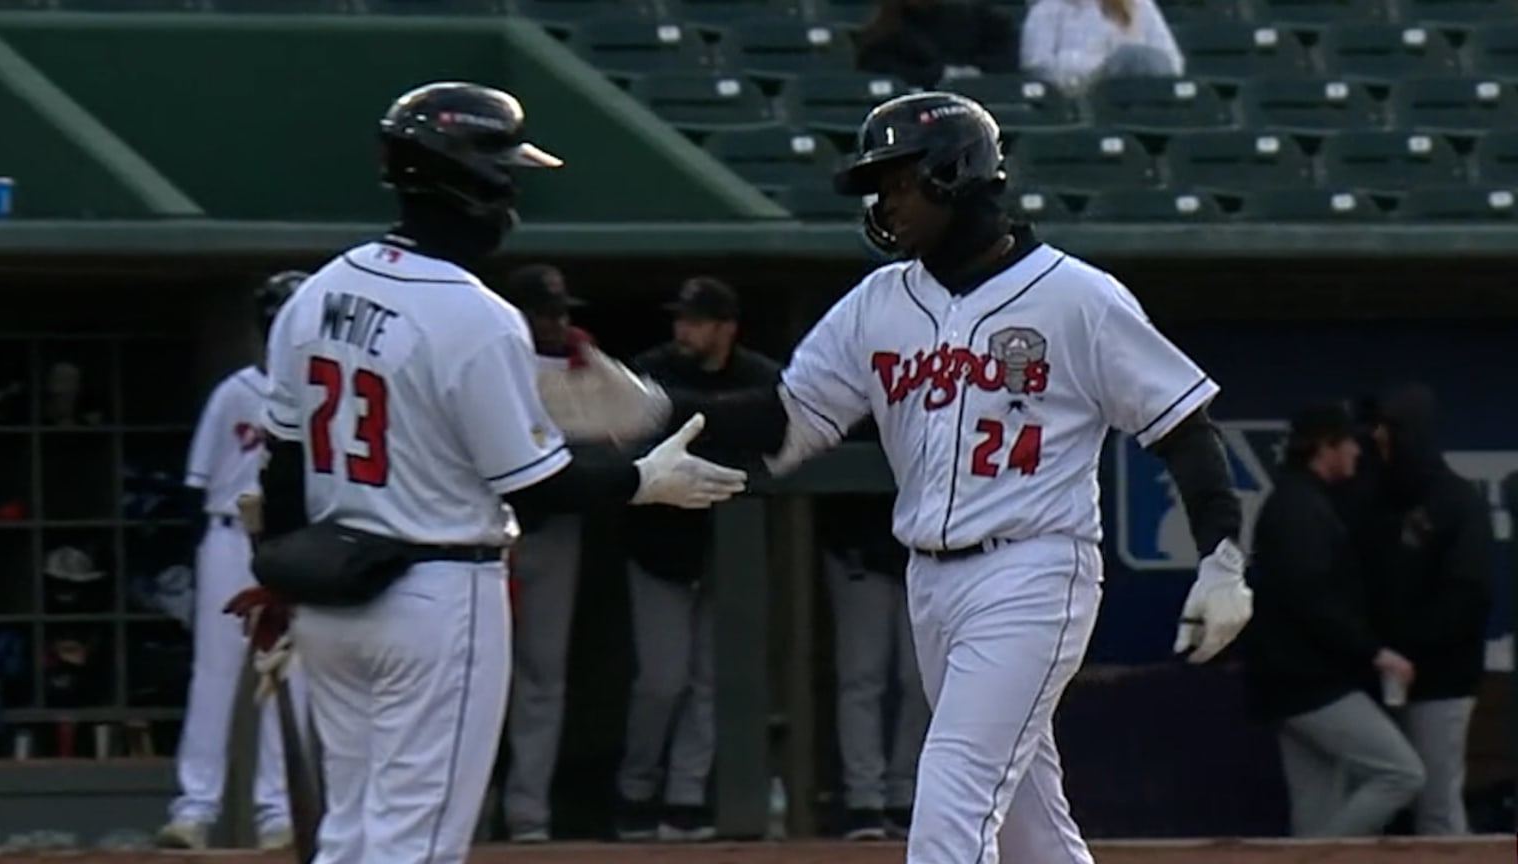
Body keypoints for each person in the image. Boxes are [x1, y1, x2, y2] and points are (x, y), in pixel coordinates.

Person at [536, 90, 1253, 864]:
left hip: (1034, 569)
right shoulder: (879, 301)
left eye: (899, 181)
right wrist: (655, 406)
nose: (885, 202)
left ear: (955, 174)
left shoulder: (1075, 296)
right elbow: (790, 416)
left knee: (952, 790)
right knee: (1029, 826)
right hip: (931, 581)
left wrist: (1220, 555)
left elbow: (1182, 427)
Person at [250, 81, 747, 864]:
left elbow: (281, 462)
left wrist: (278, 578)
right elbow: (537, 486)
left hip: (330, 588)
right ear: (468, 178)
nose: (512, 189)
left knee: (348, 834)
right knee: (415, 841)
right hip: (435, 592)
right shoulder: (475, 315)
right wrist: (642, 479)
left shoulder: (320, 290)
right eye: (503, 170)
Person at [613, 277, 783, 842]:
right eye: (680, 319)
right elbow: (625, 433)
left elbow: (774, 422)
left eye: (696, 321)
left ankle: (684, 797)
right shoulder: (650, 367)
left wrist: (689, 412)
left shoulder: (758, 374)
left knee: (712, 680)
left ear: (726, 328)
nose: (683, 330)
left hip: (728, 548)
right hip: (659, 546)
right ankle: (635, 790)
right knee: (662, 680)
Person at [156, 271, 310, 853]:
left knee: (287, 677)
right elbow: (196, 487)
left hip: (290, 539)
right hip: (229, 535)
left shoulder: (322, 394)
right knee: (216, 675)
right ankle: (194, 809)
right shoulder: (236, 391)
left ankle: (277, 812)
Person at [1244, 401, 1424, 838]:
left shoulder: (1299, 501)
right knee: (1401, 773)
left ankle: (1314, 855)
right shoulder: (1298, 509)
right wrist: (1375, 653)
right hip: (1310, 682)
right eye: (1349, 444)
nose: (1357, 454)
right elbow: (1311, 600)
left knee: (1315, 809)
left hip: (1291, 681)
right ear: (1325, 447)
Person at [1366, 384, 1493, 835]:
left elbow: (1469, 596)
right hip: (1384, 676)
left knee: (1436, 809)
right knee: (1396, 809)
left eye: (1386, 428)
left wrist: (1406, 645)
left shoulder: (1456, 500)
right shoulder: (1379, 498)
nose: (1376, 436)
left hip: (1441, 681)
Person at [498, 263, 593, 843]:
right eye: (546, 313)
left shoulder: (584, 364)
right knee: (477, 675)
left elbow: (628, 423)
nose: (558, 323)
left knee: (541, 676)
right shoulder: (492, 356)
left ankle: (526, 814)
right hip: (487, 529)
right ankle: (473, 806)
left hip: (555, 531)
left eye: (562, 312)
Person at [819, 485, 929, 841]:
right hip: (859, 541)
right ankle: (862, 797)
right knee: (861, 675)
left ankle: (905, 792)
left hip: (926, 547)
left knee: (922, 678)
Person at [1020, 0, 1184, 95]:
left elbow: (1173, 63)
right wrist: (1100, 70)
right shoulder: (1047, 10)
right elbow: (1038, 68)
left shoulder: (1140, 6)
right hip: (1079, 102)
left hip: (1142, 99)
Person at [856, 0, 1019, 88]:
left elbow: (1005, 62)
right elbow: (879, 70)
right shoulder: (884, 31)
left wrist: (971, 73)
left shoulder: (984, 20)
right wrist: (937, 74)